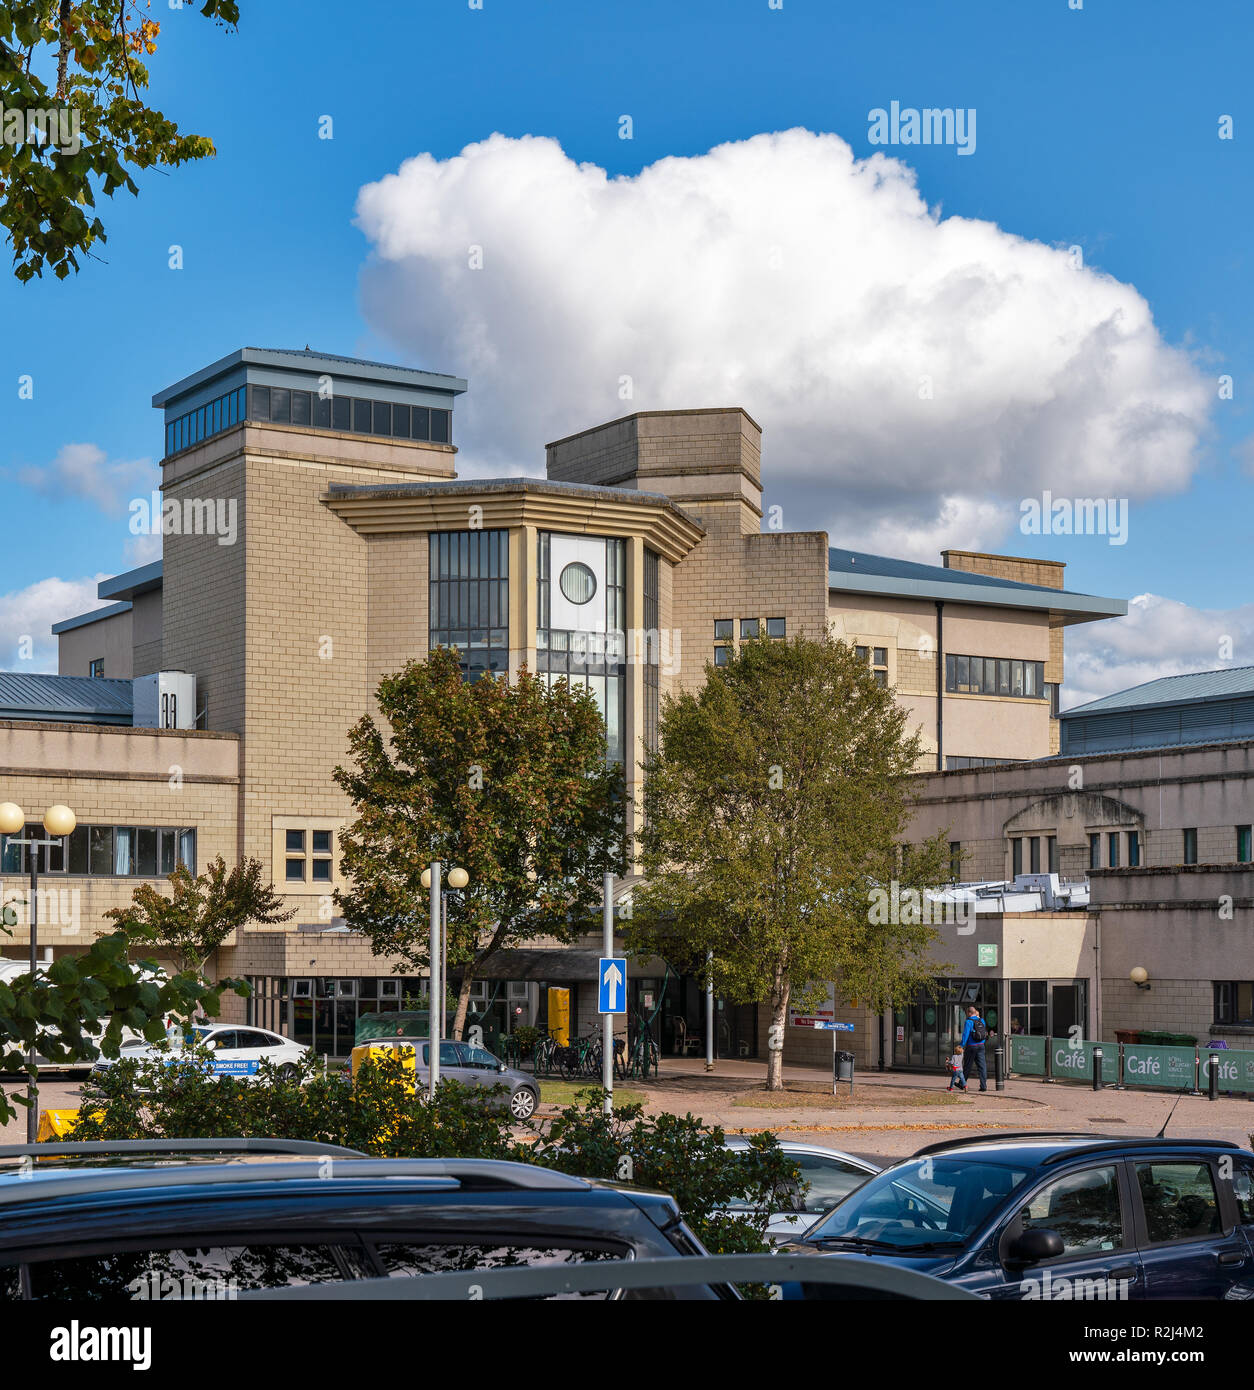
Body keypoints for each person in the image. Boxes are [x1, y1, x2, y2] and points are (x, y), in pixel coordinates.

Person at [960, 1004, 989, 1091]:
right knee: (982, 1067)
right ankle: (983, 1086)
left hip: (971, 1046)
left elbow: (965, 1035)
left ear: (969, 1013)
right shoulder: (982, 1020)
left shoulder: (968, 1021)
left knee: (967, 1066)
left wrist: (961, 1046)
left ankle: (962, 1084)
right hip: (981, 1046)